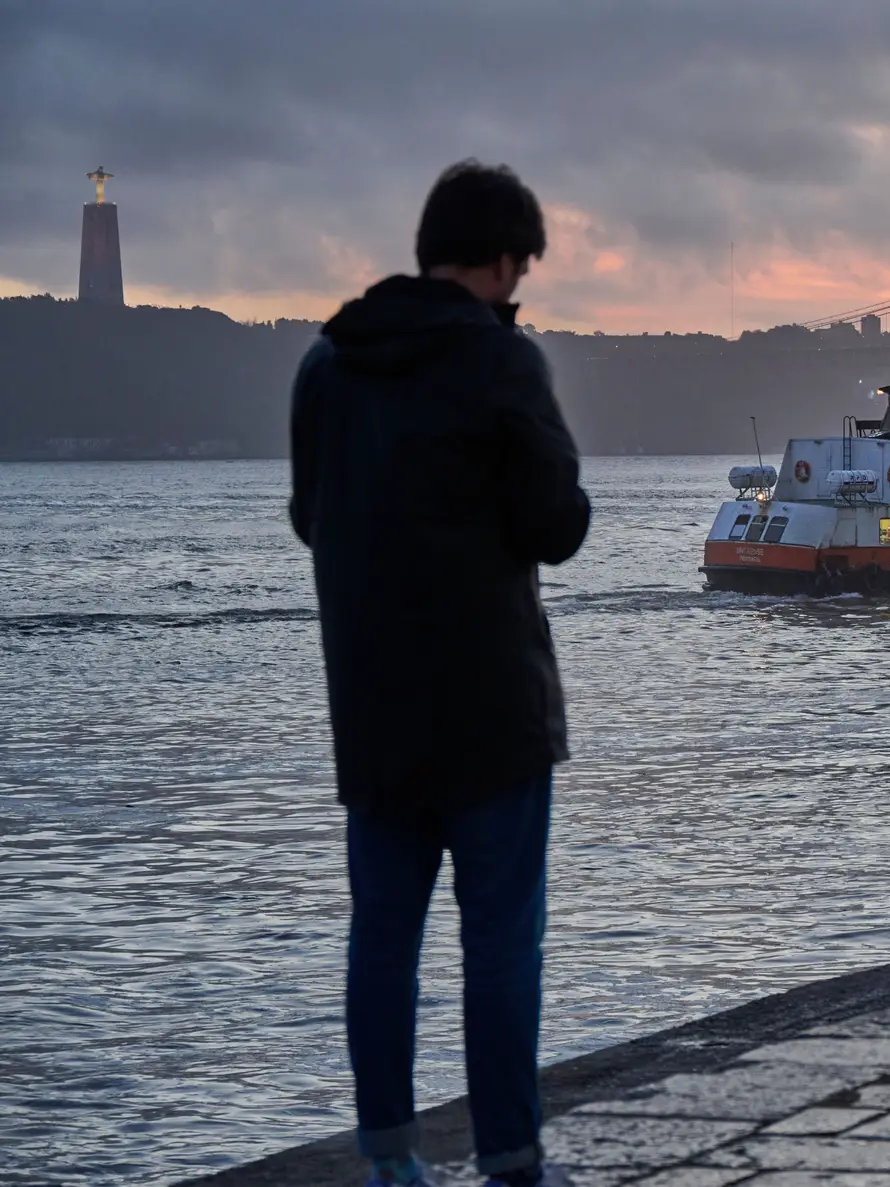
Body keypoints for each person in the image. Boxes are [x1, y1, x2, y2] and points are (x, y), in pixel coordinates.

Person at [291, 161, 590, 1187]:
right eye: (521, 273)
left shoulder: (327, 365)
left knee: (383, 941)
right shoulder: (504, 364)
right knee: (501, 944)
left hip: (372, 704)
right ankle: (510, 1157)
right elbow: (559, 526)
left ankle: (389, 1160)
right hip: (493, 708)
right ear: (506, 261)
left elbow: (308, 517)